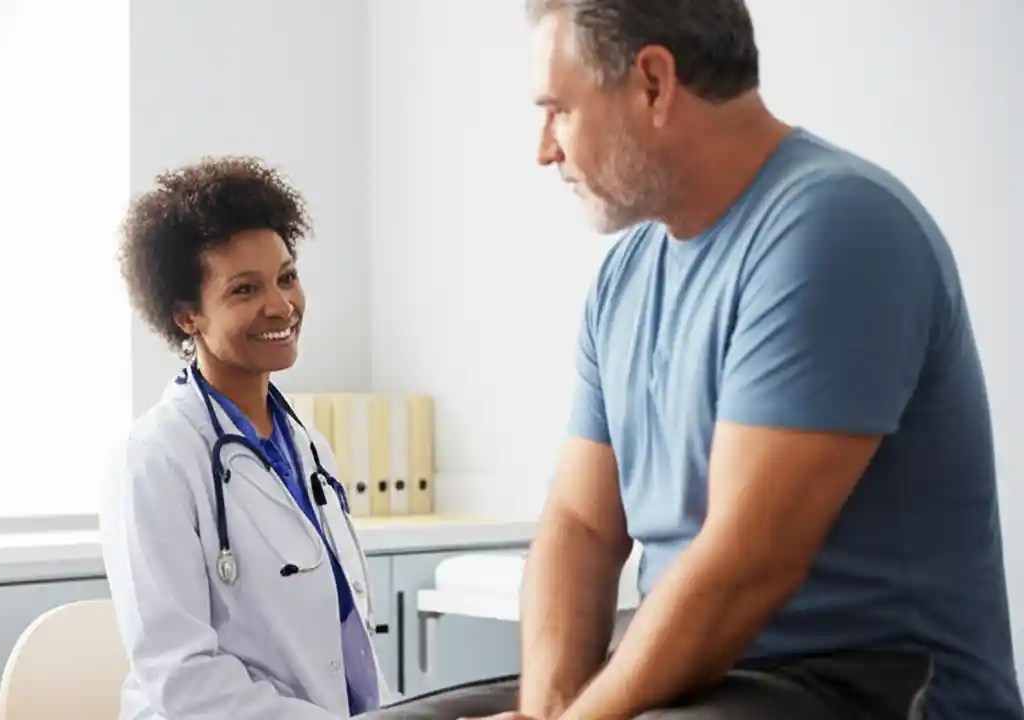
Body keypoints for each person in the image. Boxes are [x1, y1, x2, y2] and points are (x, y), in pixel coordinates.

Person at [364, 1, 1023, 719]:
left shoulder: (836, 229)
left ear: (652, 82)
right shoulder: (627, 276)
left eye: (559, 111)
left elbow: (745, 565)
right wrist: (547, 707)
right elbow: (581, 526)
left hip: (861, 684)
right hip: (708, 676)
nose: (545, 149)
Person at [100, 156, 386, 719]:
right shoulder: (155, 459)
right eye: (244, 289)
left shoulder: (308, 449)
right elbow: (183, 681)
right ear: (187, 315)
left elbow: (347, 642)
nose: (280, 305)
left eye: (286, 277)